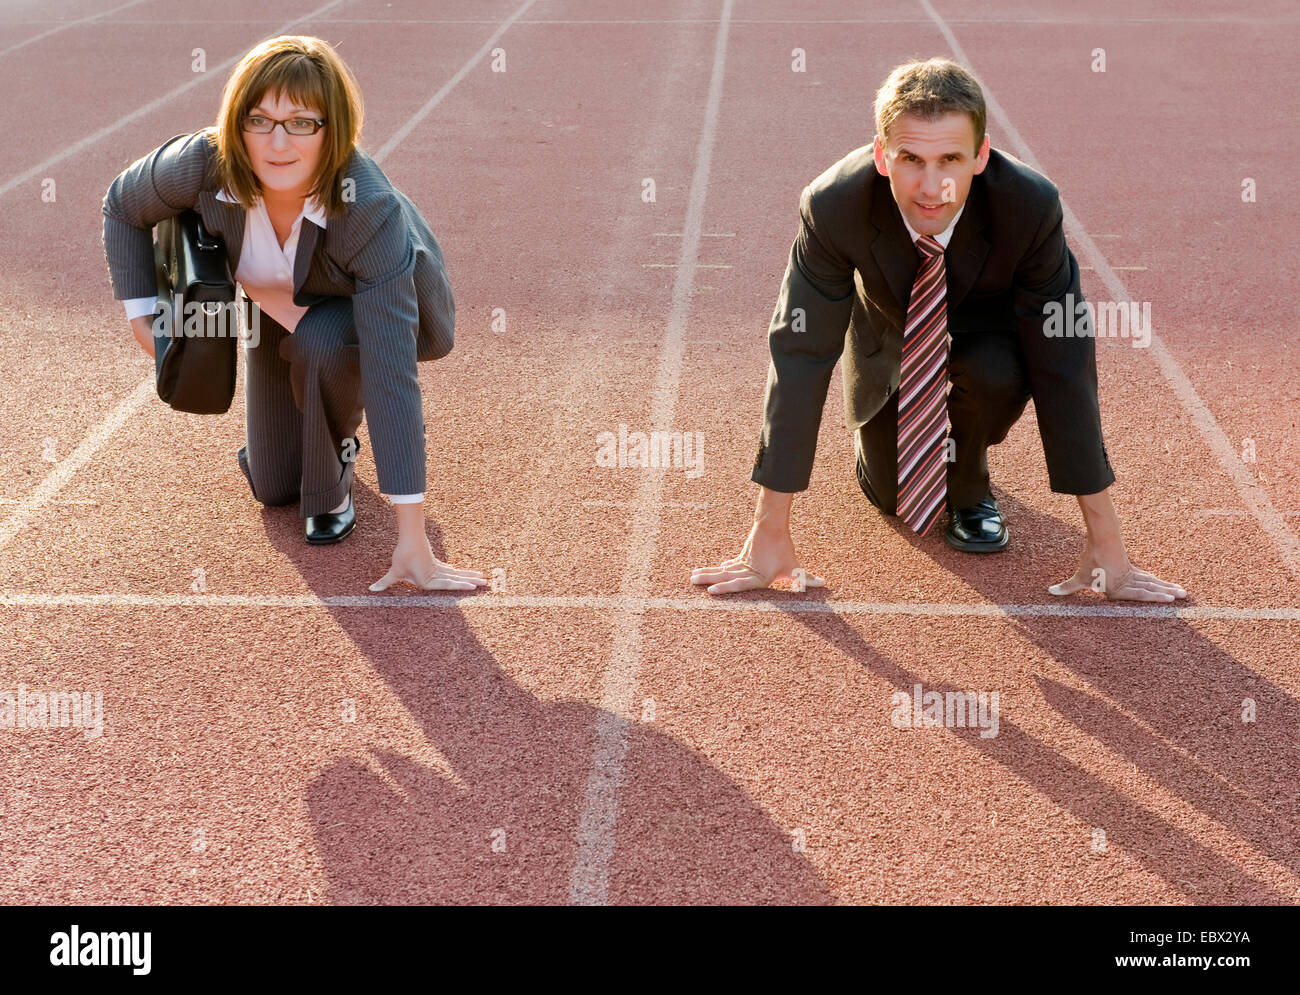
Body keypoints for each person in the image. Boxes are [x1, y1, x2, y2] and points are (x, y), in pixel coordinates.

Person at [692, 58, 1186, 603]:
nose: (932, 187)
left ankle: (968, 475)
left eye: (950, 158)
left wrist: (1106, 544)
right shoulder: (834, 205)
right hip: (890, 341)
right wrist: (770, 529)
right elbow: (799, 350)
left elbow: (1063, 357)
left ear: (981, 155)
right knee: (892, 498)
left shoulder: (1029, 206)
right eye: (911, 159)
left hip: (991, 341)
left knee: (994, 372)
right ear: (882, 156)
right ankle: (885, 443)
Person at [101, 35, 485, 593]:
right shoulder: (201, 165)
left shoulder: (366, 205)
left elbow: (391, 372)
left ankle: (336, 469)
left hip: (356, 311)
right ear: (237, 125)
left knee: (324, 350)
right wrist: (143, 316)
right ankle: (297, 443)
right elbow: (121, 204)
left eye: (302, 122)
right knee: (274, 487)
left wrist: (413, 535)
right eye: (260, 120)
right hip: (273, 311)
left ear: (335, 131)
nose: (278, 142)